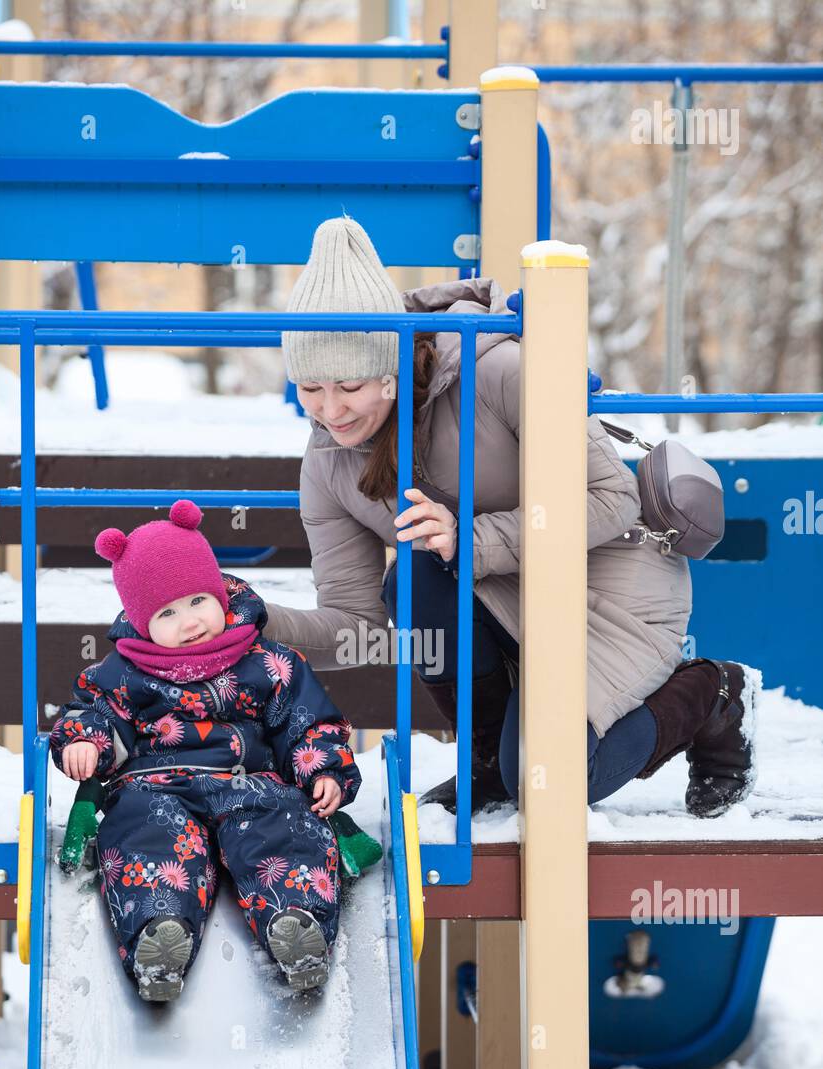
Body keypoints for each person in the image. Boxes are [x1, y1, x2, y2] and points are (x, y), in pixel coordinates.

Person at [259, 215, 755, 820]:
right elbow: (354, 623)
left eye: (350, 385)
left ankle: (713, 693)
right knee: (410, 578)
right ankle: (488, 758)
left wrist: (469, 538)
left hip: (601, 581)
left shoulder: (497, 371)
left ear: (390, 365)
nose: (330, 410)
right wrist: (259, 623)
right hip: (489, 592)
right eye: (309, 388)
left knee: (557, 782)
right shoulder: (327, 462)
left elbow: (611, 499)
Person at [49, 499, 361, 1002]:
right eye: (167, 613)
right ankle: (160, 932)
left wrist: (324, 768)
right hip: (156, 788)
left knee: (285, 828)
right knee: (143, 835)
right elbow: (93, 711)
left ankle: (296, 924)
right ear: (141, 621)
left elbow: (308, 721)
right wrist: (87, 740)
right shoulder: (125, 671)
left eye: (198, 600)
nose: (190, 620)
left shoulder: (268, 661)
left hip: (253, 784)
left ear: (219, 592)